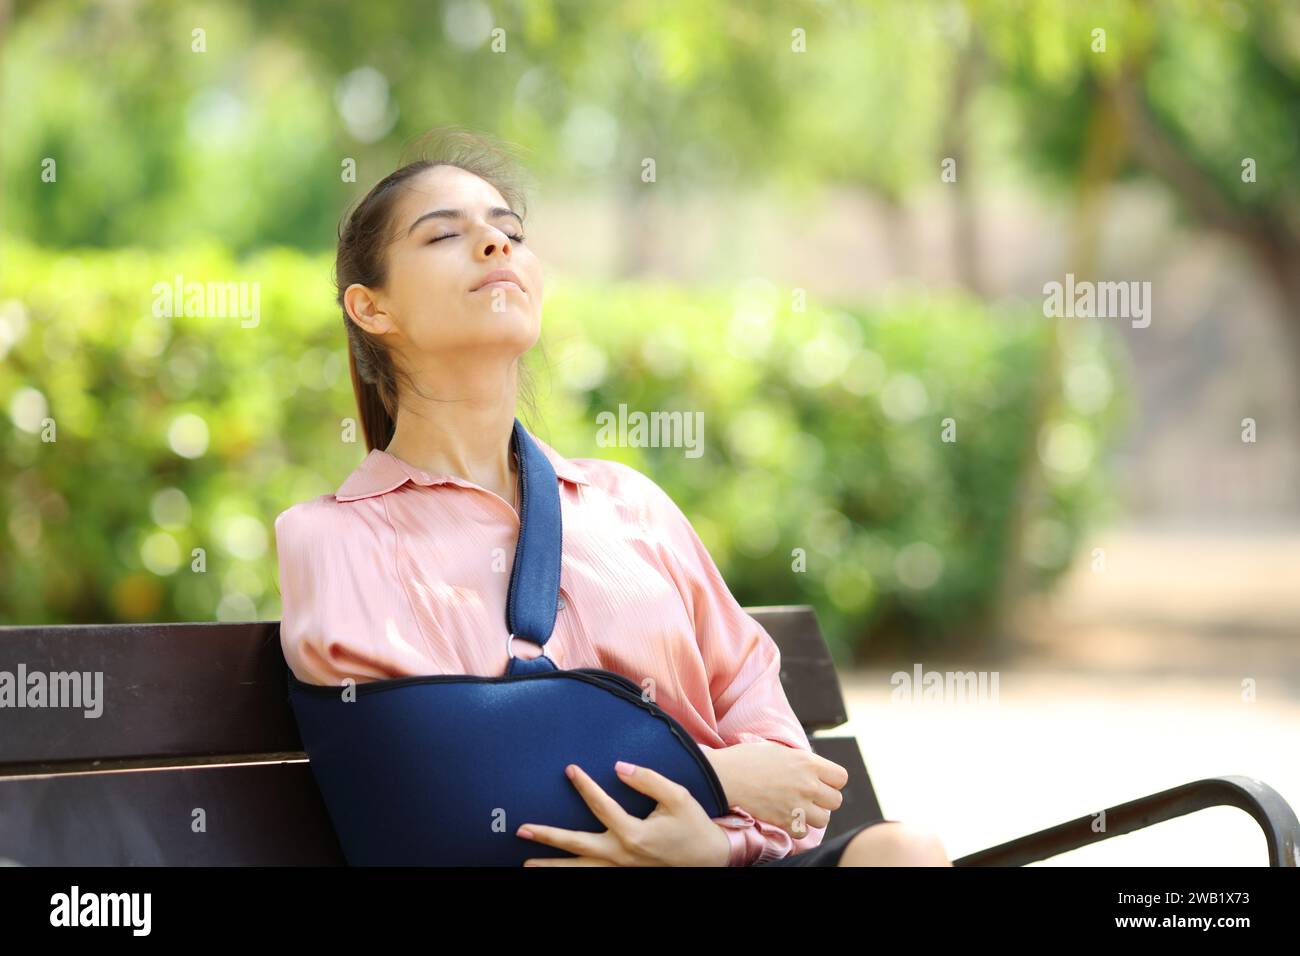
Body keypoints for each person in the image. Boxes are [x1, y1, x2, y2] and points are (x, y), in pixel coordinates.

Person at [275, 127, 951, 868]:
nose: (497, 246)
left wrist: (710, 845)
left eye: (511, 233)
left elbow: (792, 774)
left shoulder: (629, 504)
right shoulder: (335, 541)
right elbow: (440, 784)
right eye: (444, 235)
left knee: (903, 854)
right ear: (372, 309)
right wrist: (715, 776)